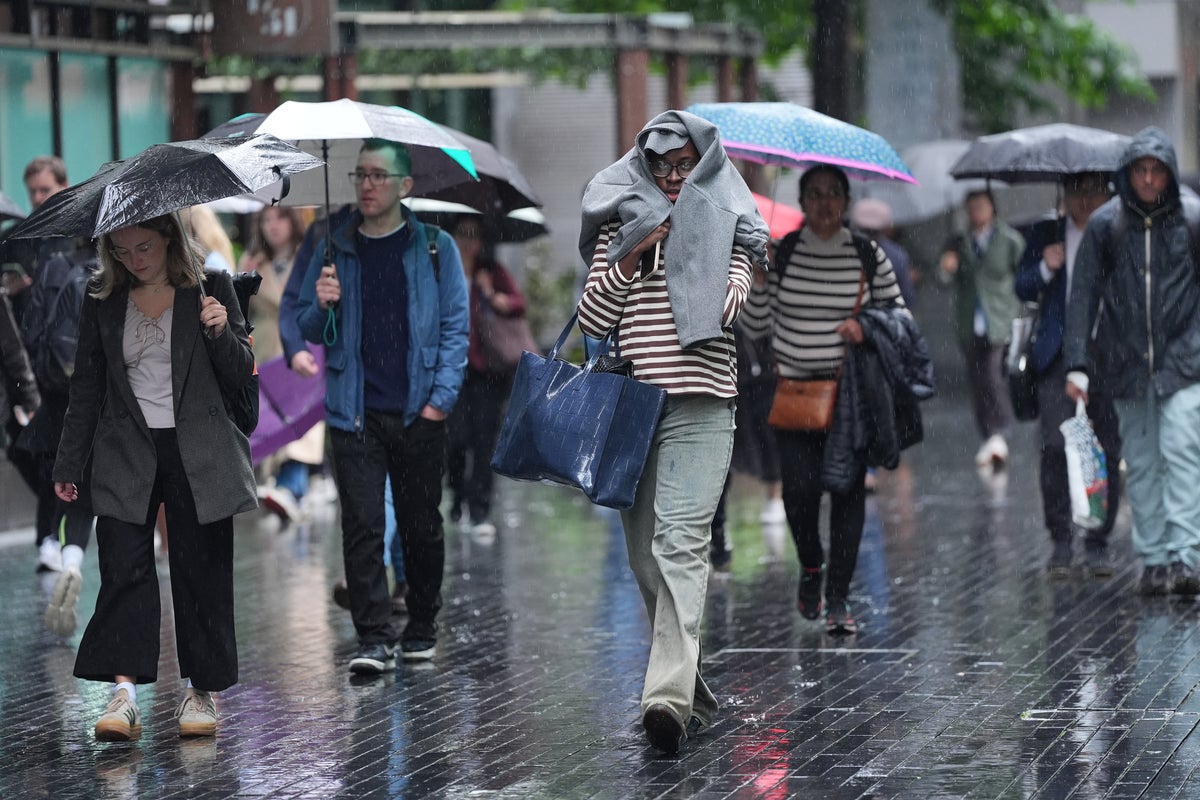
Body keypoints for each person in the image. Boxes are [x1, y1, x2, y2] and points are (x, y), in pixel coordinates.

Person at [578, 109, 768, 754]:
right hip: (635, 406)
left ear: (705, 166)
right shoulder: (620, 224)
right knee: (644, 558)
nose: (674, 178)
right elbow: (591, 317)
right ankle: (693, 691)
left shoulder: (729, 219)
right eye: (662, 167)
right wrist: (634, 251)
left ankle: (664, 699)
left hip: (703, 405)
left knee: (681, 543)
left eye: (686, 166)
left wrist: (695, 244)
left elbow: (729, 305)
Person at [52, 212, 257, 741]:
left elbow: (241, 375)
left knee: (201, 570)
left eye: (143, 247)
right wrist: (69, 463)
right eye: (121, 251)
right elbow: (87, 387)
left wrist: (220, 331)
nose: (134, 260)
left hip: (198, 447)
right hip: (126, 447)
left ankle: (201, 691)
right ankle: (124, 696)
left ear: (169, 238)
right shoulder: (102, 298)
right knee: (123, 567)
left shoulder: (212, 287)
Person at [296, 139, 468, 673]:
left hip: (420, 411)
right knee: (363, 527)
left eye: (378, 175)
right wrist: (321, 302)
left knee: (421, 527)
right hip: (354, 412)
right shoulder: (334, 246)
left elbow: (455, 328)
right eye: (360, 175)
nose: (366, 185)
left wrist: (440, 402)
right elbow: (309, 327)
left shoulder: (435, 247)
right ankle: (373, 636)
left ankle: (421, 625)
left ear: (404, 186)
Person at [740, 165, 907, 636]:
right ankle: (811, 565)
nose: (825, 202)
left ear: (847, 201)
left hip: (850, 398)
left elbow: (898, 319)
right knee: (798, 494)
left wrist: (865, 327)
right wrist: (758, 280)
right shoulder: (785, 252)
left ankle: (837, 598)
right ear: (802, 202)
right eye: (815, 194)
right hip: (793, 395)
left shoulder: (867, 254)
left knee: (848, 493)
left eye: (834, 193)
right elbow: (755, 327)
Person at [1064, 127, 1200, 597]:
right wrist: (1077, 363)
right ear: (1127, 173)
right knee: (1140, 463)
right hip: (1125, 362)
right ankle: (1156, 558)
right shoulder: (1107, 225)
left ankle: (1186, 555)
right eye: (1140, 170)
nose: (1147, 179)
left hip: (1184, 359)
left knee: (1182, 452)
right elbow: (1083, 295)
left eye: (1156, 170)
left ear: (1169, 173)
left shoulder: (1191, 220)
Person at [1015, 173, 1122, 577]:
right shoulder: (1047, 232)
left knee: (1105, 448)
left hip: (1108, 354)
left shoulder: (1118, 231)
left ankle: (1098, 539)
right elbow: (1022, 286)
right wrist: (1046, 265)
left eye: (1095, 191)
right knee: (1056, 446)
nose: (1086, 200)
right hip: (1057, 355)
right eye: (1078, 191)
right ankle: (1061, 538)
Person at [10, 156, 97, 578]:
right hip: (44, 367)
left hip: (76, 368)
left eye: (46, 189)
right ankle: (55, 539)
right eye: (33, 192)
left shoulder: (85, 233)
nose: (39, 198)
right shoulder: (25, 239)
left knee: (66, 458)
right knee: (41, 455)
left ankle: (57, 541)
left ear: (64, 185)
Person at [445, 214, 529, 538]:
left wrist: (490, 293)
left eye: (473, 234)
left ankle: (480, 510)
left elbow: (518, 304)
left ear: (481, 241)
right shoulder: (443, 271)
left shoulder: (491, 271)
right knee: (454, 440)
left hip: (487, 372)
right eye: (462, 233)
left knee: (483, 442)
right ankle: (457, 496)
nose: (467, 241)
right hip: (451, 369)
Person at [238, 205, 321, 522]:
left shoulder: (309, 257)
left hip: (299, 349)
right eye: (266, 220)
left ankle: (291, 488)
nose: (272, 226)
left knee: (300, 423)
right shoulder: (255, 263)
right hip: (265, 350)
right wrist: (243, 278)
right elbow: (238, 310)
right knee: (270, 422)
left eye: (280, 218)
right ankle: (281, 490)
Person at [939, 189, 1025, 469]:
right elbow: (943, 278)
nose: (976, 211)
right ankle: (987, 434)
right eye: (972, 207)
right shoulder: (960, 242)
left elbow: (1023, 277)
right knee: (977, 381)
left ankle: (1000, 431)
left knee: (993, 375)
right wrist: (947, 268)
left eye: (981, 205)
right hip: (969, 320)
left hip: (999, 319)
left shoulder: (1009, 240)